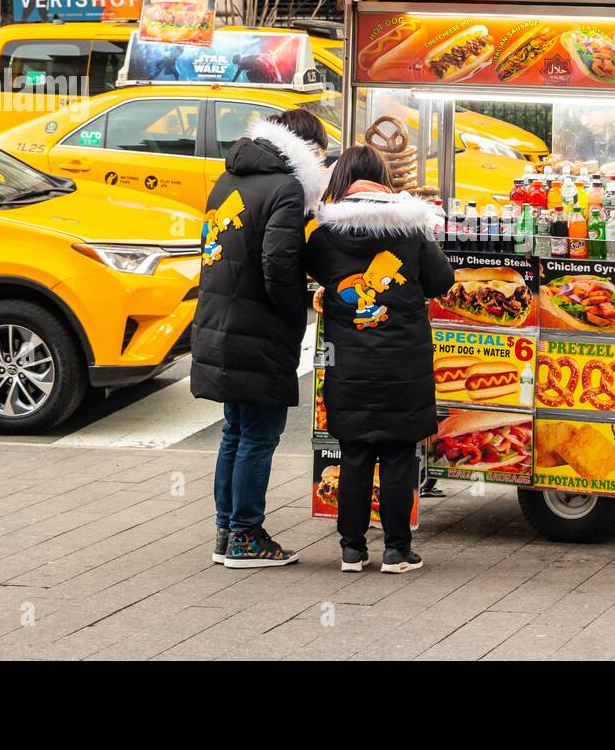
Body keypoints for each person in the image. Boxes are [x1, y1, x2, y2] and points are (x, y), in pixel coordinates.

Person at [302, 147, 454, 574]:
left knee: (353, 454)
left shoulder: (324, 232)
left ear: (343, 179)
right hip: (403, 363)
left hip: (348, 364)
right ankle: (396, 550)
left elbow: (304, 269)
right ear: (383, 179)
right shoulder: (411, 227)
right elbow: (442, 280)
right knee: (397, 456)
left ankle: (351, 549)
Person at [191, 108, 329, 568]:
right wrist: (296, 306)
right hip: (259, 326)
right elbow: (278, 261)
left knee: (236, 430)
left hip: (221, 317)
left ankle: (227, 531)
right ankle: (247, 536)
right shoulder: (285, 188)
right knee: (259, 435)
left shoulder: (230, 178)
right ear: (306, 149)